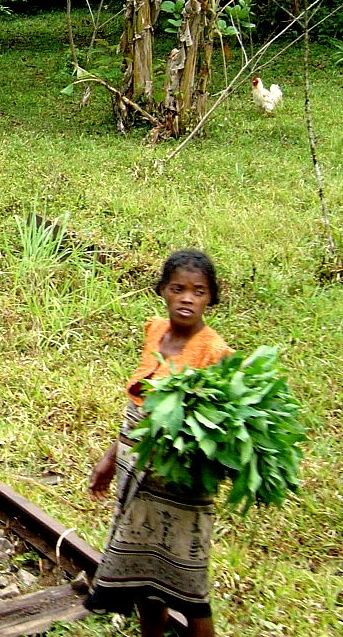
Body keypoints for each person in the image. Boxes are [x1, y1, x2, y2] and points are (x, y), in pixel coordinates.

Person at [84, 250, 233, 637]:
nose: (187, 298)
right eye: (178, 289)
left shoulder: (215, 352)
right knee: (146, 582)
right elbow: (139, 408)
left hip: (179, 485)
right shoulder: (155, 331)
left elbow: (220, 425)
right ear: (162, 291)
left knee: (189, 588)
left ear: (210, 298)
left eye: (198, 291)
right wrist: (109, 457)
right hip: (137, 475)